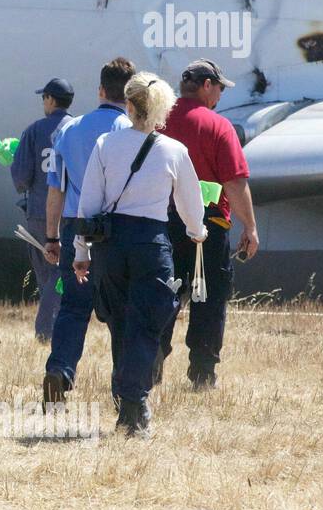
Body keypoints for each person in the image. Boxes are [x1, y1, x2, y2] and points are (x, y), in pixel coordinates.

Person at [72, 73, 206, 435]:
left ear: (128, 107)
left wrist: (81, 249)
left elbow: (90, 204)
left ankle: (126, 400)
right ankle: (135, 403)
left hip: (110, 245)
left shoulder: (105, 144)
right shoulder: (174, 151)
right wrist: (197, 233)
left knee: (118, 322)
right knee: (146, 324)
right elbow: (190, 204)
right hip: (151, 243)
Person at [156, 58, 259, 389]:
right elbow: (235, 182)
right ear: (206, 85)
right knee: (208, 298)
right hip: (207, 228)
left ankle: (150, 363)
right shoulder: (218, 126)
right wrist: (250, 228)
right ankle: (202, 373)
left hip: (163, 225)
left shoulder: (156, 123)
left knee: (161, 294)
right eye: (219, 88)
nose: (220, 96)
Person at [41, 57, 136, 405]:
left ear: (99, 90)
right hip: (119, 230)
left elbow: (56, 189)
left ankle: (60, 370)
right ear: (130, 93)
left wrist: (52, 236)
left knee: (73, 307)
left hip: (74, 226)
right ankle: (123, 390)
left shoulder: (69, 130)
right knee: (122, 312)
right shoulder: (133, 132)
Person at [11, 78, 74, 341]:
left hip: (39, 210)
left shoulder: (34, 131)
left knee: (47, 271)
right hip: (72, 211)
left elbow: (21, 178)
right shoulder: (77, 128)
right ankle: (59, 323)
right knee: (65, 269)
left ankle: (46, 329)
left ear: (50, 100)